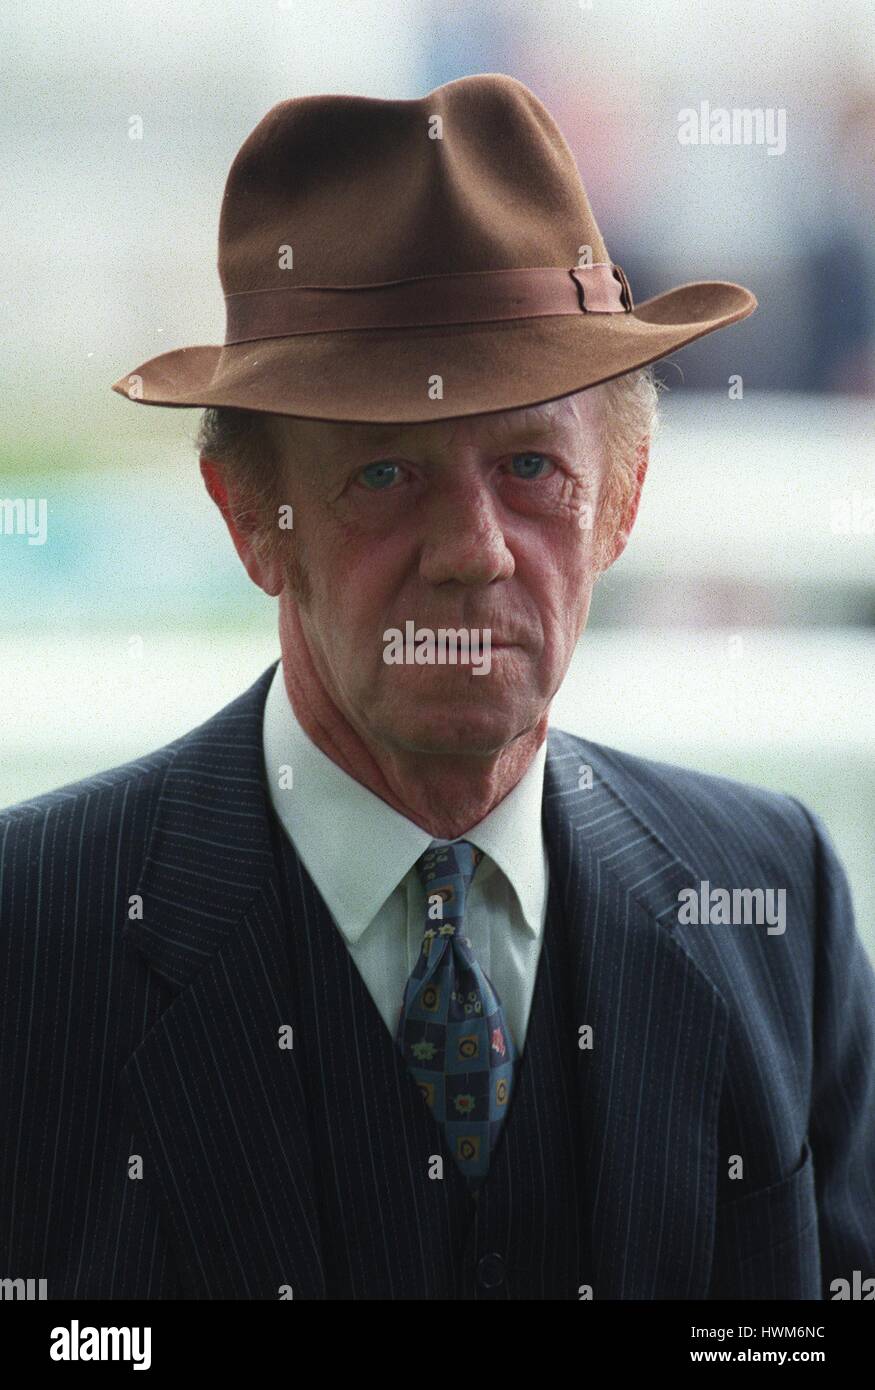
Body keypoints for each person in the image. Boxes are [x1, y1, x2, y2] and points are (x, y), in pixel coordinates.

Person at [2, 74, 873, 1301]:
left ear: (619, 501)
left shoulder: (776, 902)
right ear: (252, 519)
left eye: (529, 464)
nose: (474, 546)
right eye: (384, 475)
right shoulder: (33, 938)